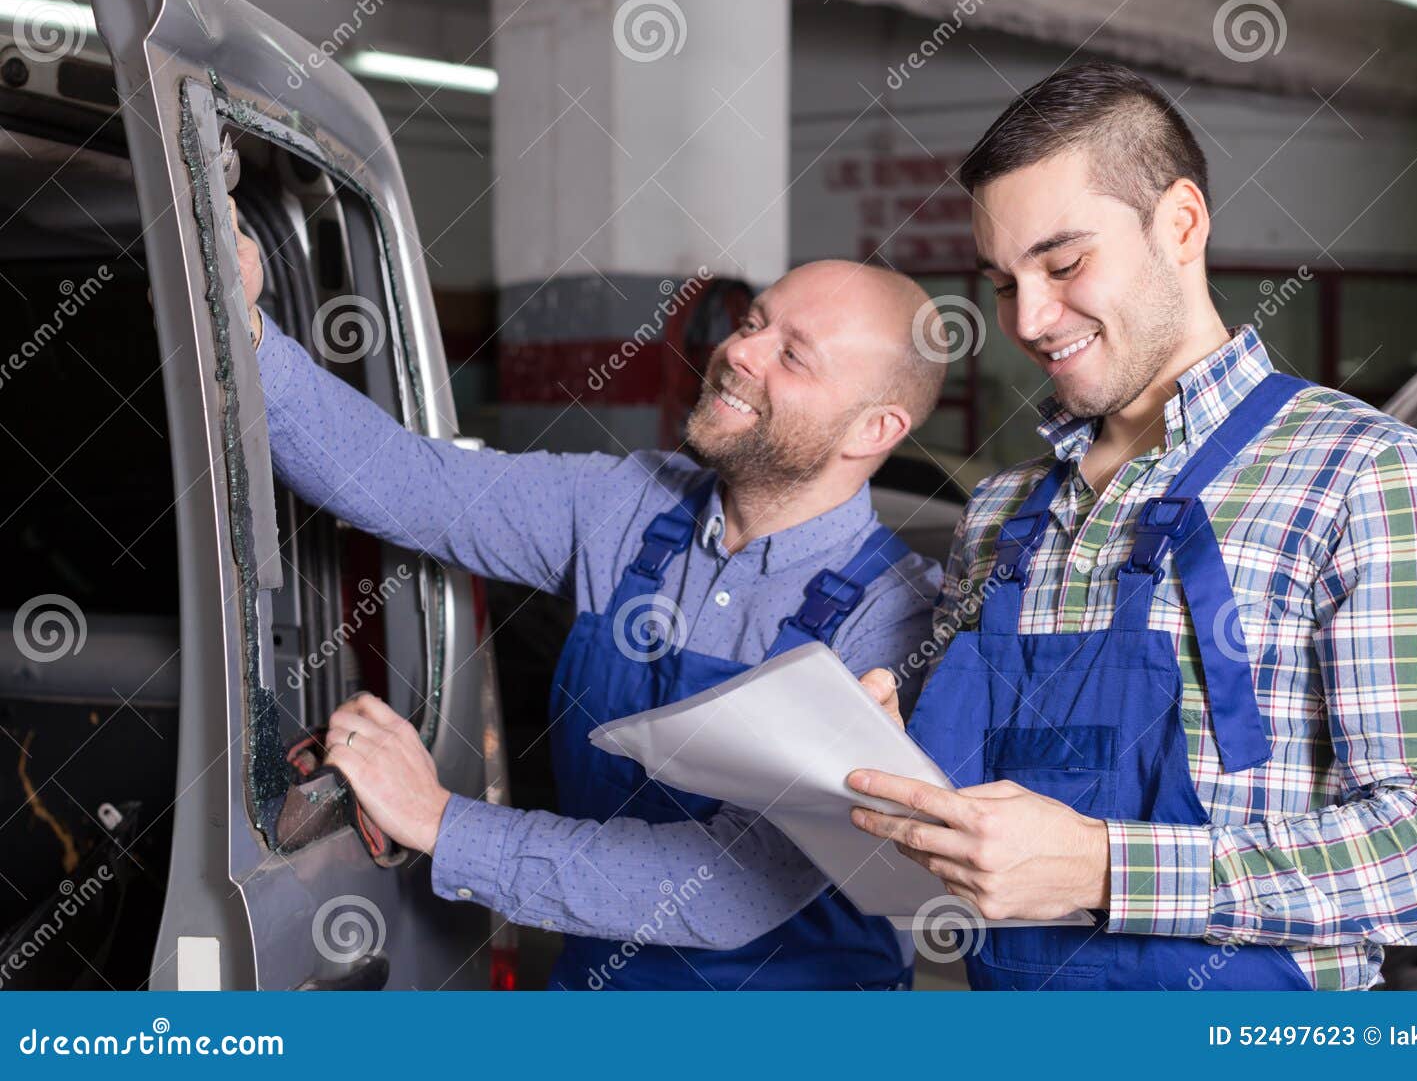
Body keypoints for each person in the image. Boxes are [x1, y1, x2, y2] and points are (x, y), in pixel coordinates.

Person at [849, 61, 1417, 990]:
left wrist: (1104, 868)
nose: (1029, 319)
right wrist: (888, 767)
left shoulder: (1374, 481)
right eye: (1002, 282)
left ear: (1182, 224)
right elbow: (985, 829)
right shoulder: (997, 516)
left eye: (1064, 264)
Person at [234, 211, 946, 989]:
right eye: (753, 322)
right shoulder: (629, 505)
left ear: (873, 428)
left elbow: (730, 886)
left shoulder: (896, 617)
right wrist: (247, 330)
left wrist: (440, 819)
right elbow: (409, 484)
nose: (739, 352)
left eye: (792, 355)